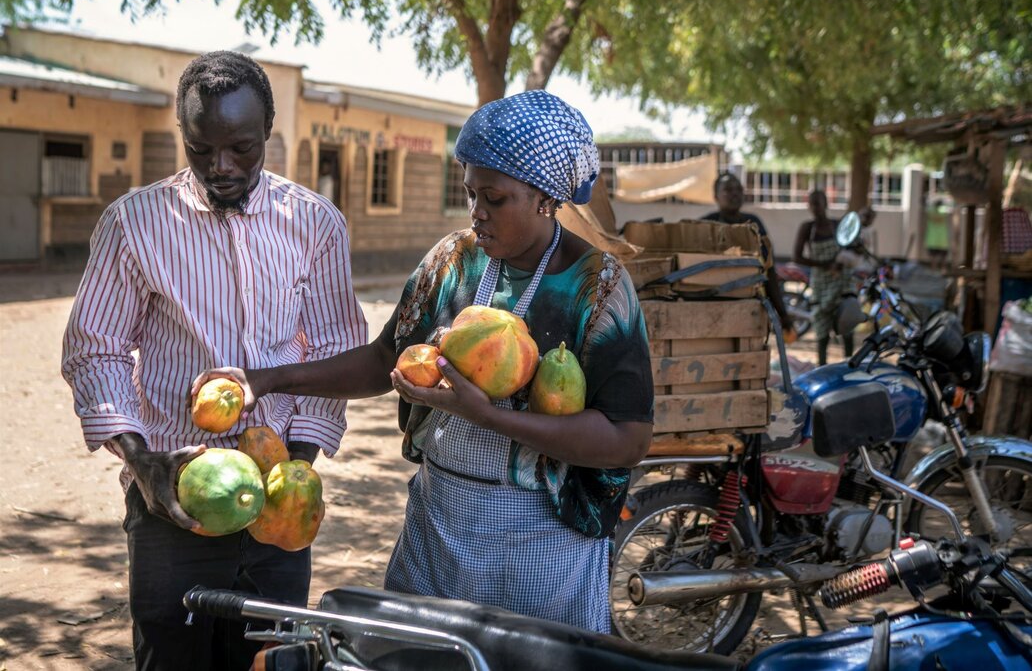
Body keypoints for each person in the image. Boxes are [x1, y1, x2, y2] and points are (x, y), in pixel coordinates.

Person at [192, 90, 654, 633]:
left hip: (542, 542)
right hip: (438, 523)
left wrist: (490, 415)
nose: (475, 211)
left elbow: (627, 439)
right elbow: (384, 359)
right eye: (469, 193)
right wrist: (267, 380)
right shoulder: (454, 261)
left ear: (544, 198)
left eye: (494, 198)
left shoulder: (597, 289)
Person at [61, 51, 368, 670]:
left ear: (268, 134)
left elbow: (336, 348)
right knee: (172, 657)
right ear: (183, 134)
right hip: (171, 502)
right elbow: (95, 349)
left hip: (280, 507)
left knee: (270, 660)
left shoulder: (315, 225)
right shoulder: (134, 224)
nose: (221, 168)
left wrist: (296, 466)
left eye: (241, 149)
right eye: (201, 150)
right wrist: (143, 462)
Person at [701, 172, 792, 332]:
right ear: (716, 196)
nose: (735, 193)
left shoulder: (754, 224)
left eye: (738, 189)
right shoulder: (705, 225)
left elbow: (768, 269)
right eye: (728, 189)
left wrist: (782, 313)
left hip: (750, 305)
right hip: (713, 307)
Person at [792, 189, 853, 365]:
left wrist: (841, 263)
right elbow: (797, 257)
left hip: (841, 281)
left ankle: (849, 364)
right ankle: (822, 366)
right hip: (821, 282)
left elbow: (851, 247)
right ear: (809, 206)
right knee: (821, 326)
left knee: (846, 323)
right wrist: (826, 264)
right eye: (812, 204)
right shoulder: (808, 228)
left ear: (826, 204)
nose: (816, 208)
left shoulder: (837, 225)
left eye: (819, 203)